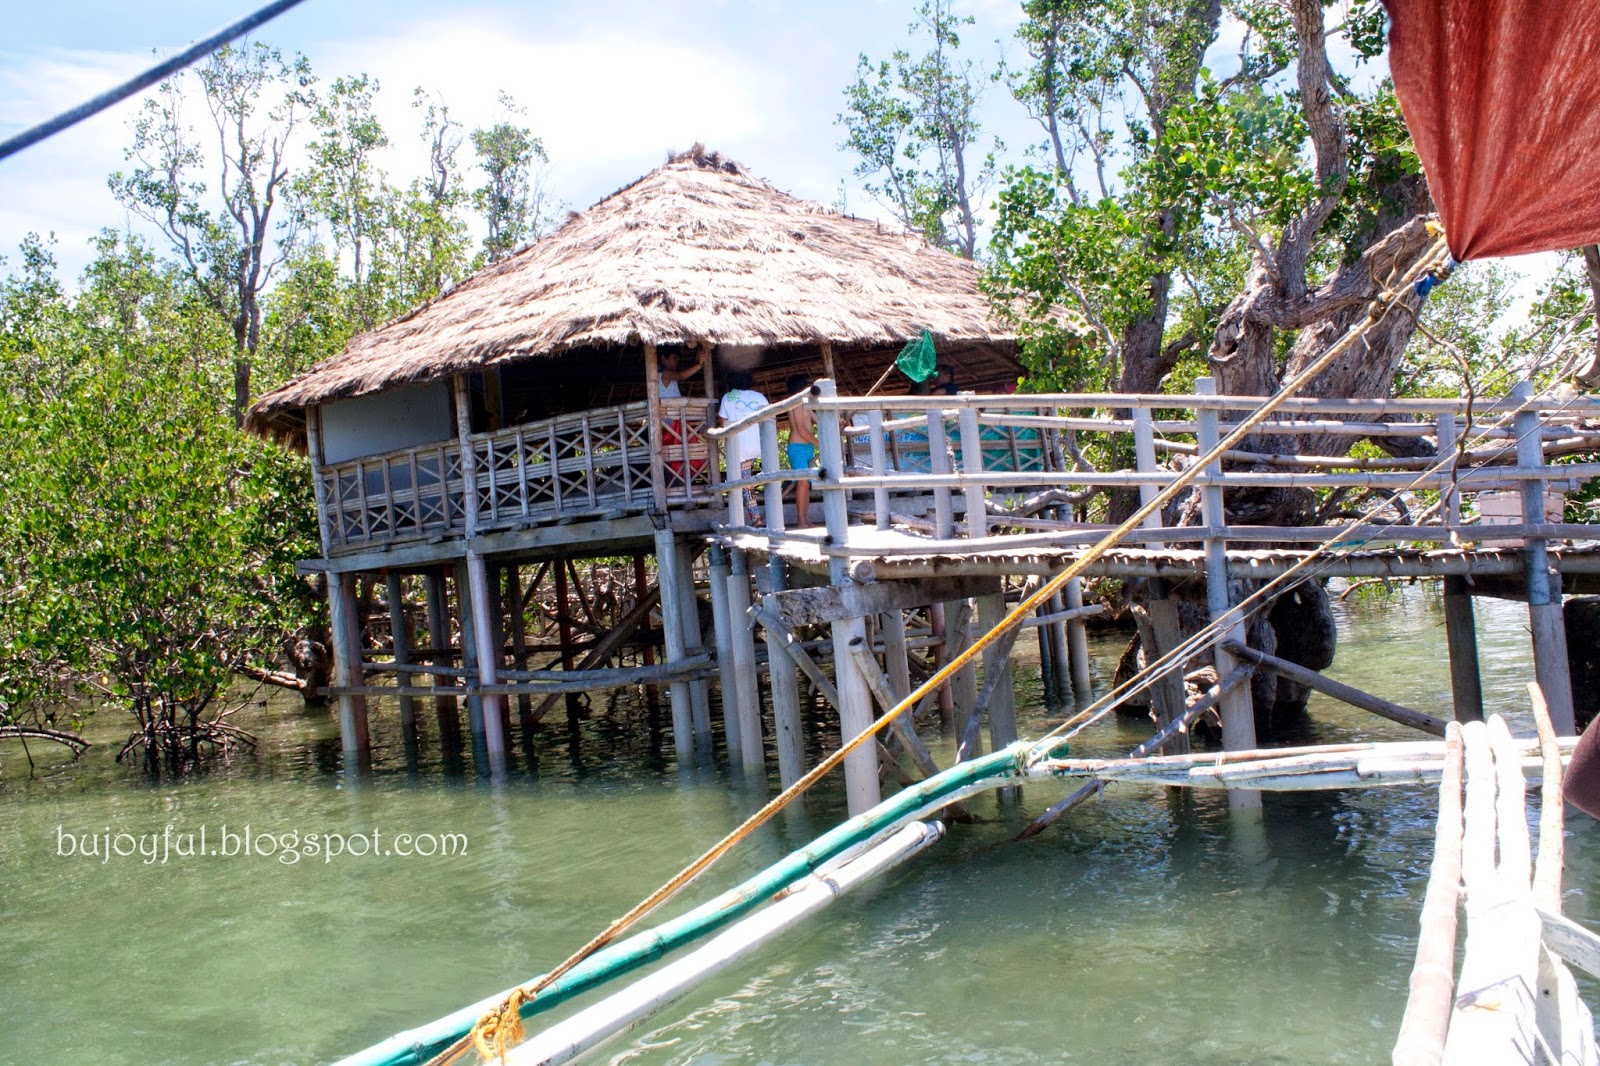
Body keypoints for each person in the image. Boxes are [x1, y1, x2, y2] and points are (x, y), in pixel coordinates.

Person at [718, 370, 769, 525]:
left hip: (740, 447)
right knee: (768, 478)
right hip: (762, 446)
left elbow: (722, 423)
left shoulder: (727, 398)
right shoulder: (760, 397)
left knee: (744, 483)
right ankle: (770, 514)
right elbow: (768, 420)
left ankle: (755, 519)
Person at [784, 373, 818, 525]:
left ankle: (806, 519)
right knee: (802, 483)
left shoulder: (806, 404)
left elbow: (818, 420)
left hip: (808, 448)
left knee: (807, 484)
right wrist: (819, 443)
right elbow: (801, 430)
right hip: (797, 448)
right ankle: (801, 520)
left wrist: (837, 424)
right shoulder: (796, 403)